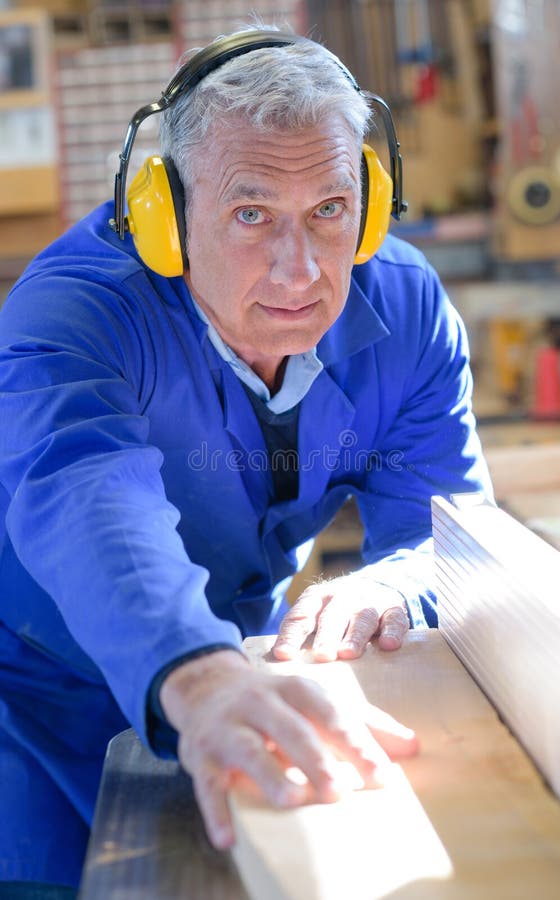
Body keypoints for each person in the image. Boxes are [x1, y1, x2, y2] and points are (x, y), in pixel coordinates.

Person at [0, 23, 493, 897]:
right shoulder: (72, 315)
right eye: (251, 213)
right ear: (166, 214)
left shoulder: (407, 311)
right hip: (40, 716)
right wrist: (199, 677)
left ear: (370, 201)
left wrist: (391, 583)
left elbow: (444, 532)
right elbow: (90, 502)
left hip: (248, 688)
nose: (300, 271)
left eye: (329, 209)